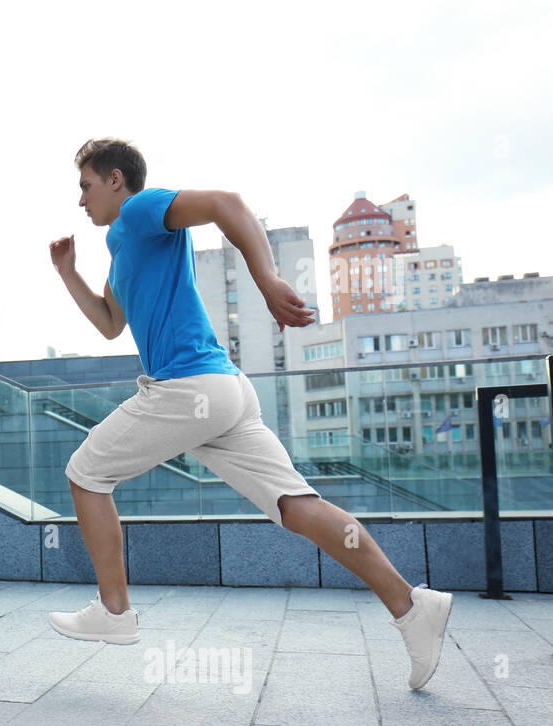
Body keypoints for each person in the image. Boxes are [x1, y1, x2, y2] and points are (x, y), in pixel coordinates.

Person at [46, 137, 452, 691]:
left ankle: (115, 612)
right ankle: (411, 606)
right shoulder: (124, 252)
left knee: (85, 474)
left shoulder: (140, 211)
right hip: (226, 392)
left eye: (86, 186)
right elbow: (109, 323)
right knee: (297, 506)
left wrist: (266, 281)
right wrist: (67, 272)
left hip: (187, 389)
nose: (81, 200)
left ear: (116, 180)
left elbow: (226, 204)